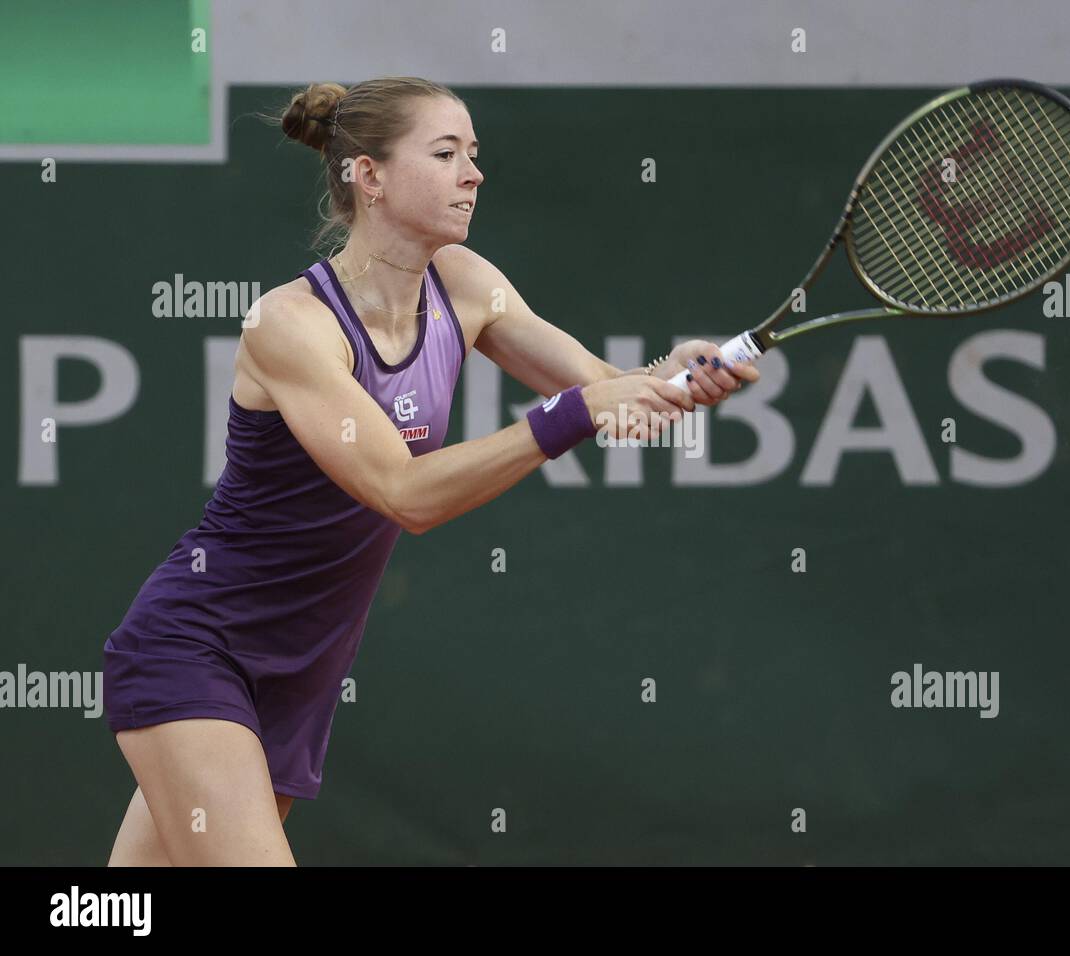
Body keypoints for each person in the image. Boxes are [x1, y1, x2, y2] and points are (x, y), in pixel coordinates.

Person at [102, 76, 759, 865]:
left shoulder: (465, 284)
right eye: (446, 154)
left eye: (474, 154)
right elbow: (405, 494)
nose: (473, 173)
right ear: (367, 177)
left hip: (304, 672)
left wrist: (677, 380)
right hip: (198, 646)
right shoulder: (291, 326)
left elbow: (596, 391)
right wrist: (576, 414)